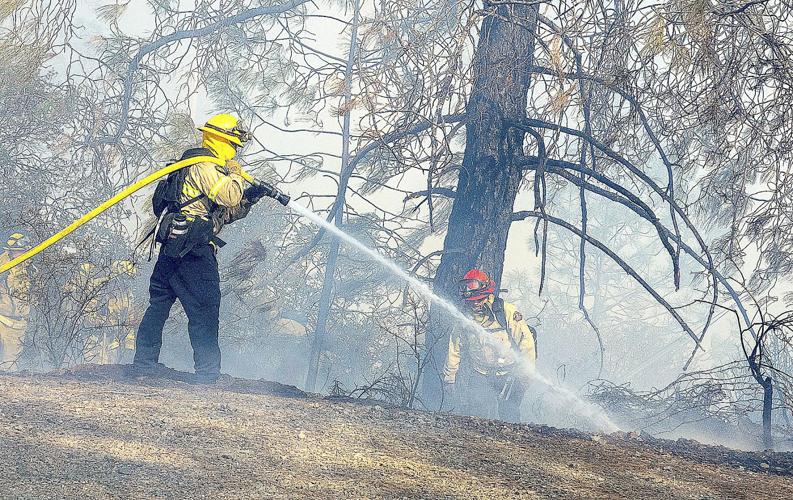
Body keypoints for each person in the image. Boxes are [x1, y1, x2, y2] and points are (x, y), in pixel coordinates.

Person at [131, 113, 287, 383]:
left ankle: (143, 365)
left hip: (174, 246)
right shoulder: (204, 165)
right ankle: (207, 374)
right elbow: (228, 195)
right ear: (223, 140)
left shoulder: (198, 166)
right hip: (192, 250)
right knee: (204, 309)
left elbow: (224, 211)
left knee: (158, 306)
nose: (236, 151)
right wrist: (237, 177)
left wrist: (252, 195)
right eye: (235, 145)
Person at [442, 268, 537, 422]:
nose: (475, 304)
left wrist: (527, 373)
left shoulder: (505, 311)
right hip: (481, 374)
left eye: (479, 300)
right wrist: (449, 378)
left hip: (509, 375)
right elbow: (455, 348)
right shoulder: (464, 319)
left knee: (509, 415)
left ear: (487, 295)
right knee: (478, 414)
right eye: (472, 301)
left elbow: (526, 342)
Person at [0, 232, 31, 370]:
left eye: (19, 252)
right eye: (12, 252)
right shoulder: (2, 263)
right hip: (1, 316)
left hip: (16, 324)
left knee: (10, 364)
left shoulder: (31, 270)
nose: (15, 255)